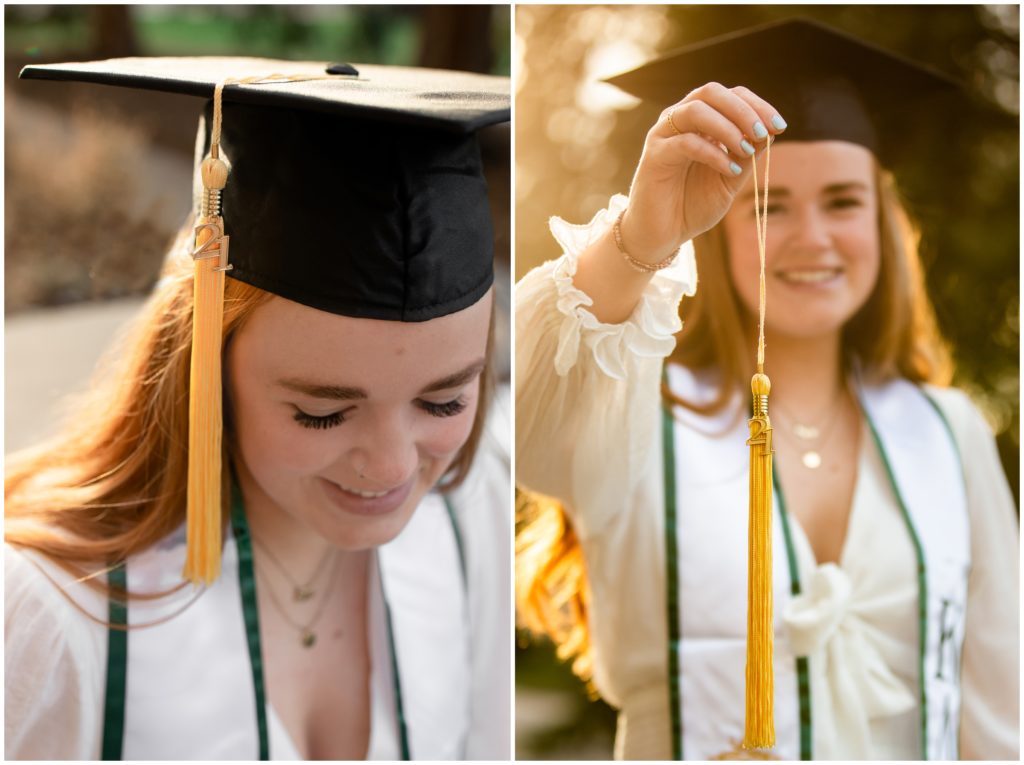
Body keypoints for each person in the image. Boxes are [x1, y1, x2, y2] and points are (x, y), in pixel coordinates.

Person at [515, 18, 1018, 760]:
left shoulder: (949, 431)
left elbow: (1002, 716)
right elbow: (522, 417)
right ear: (719, 229)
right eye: (770, 206)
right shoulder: (635, 406)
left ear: (883, 222)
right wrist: (641, 242)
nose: (812, 237)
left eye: (843, 202)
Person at [6, 56, 511, 760]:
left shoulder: (469, 516)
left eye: (445, 400)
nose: (393, 467)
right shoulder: (53, 614)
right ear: (205, 361)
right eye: (322, 414)